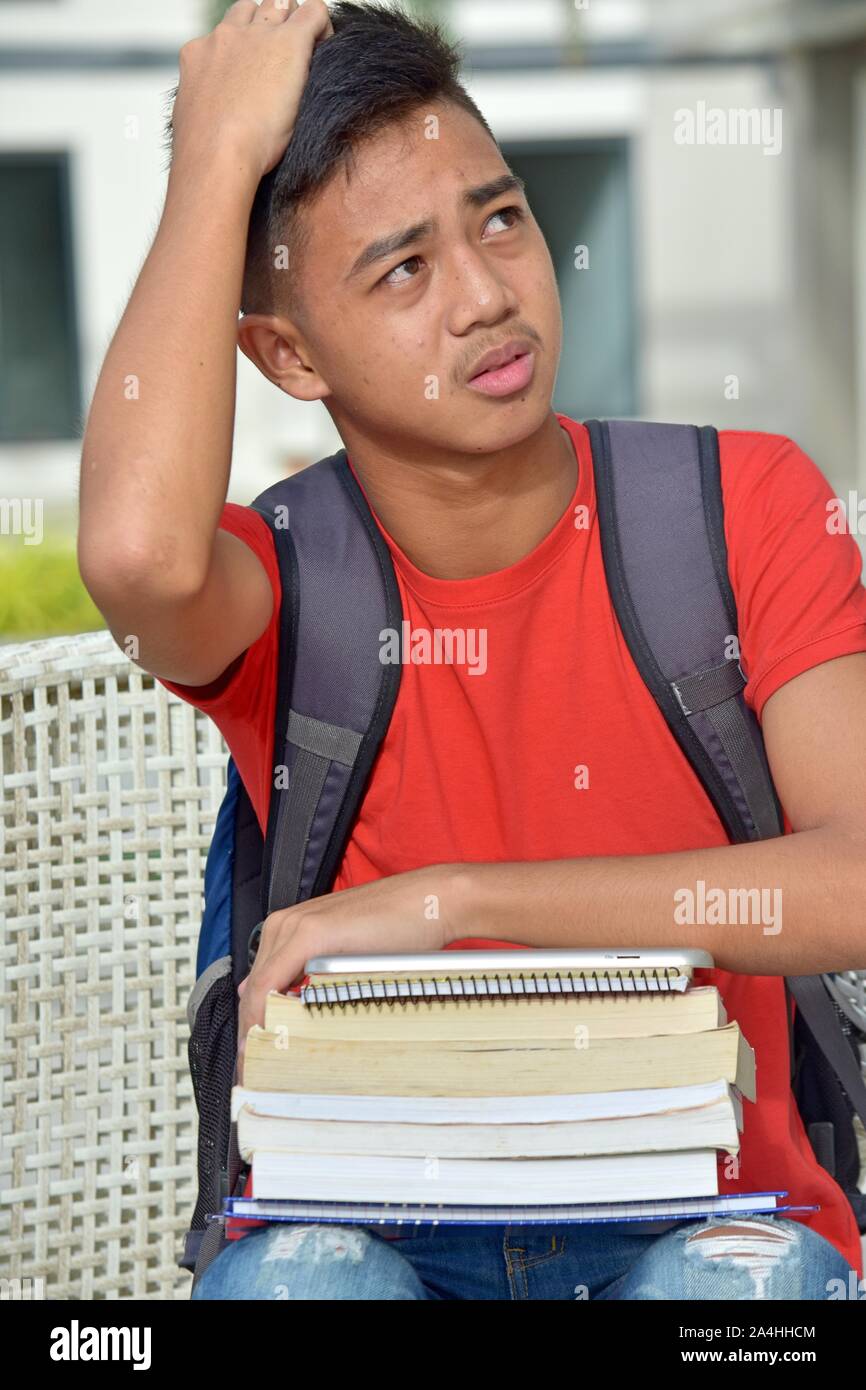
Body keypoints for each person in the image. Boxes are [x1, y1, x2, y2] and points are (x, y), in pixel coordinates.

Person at [77, 0, 866, 1300]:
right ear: (285, 353)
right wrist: (215, 160)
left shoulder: (742, 509)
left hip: (711, 1214)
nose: (489, 296)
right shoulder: (283, 579)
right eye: (403, 270)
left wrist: (456, 903)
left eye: (498, 218)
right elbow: (136, 560)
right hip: (364, 1219)